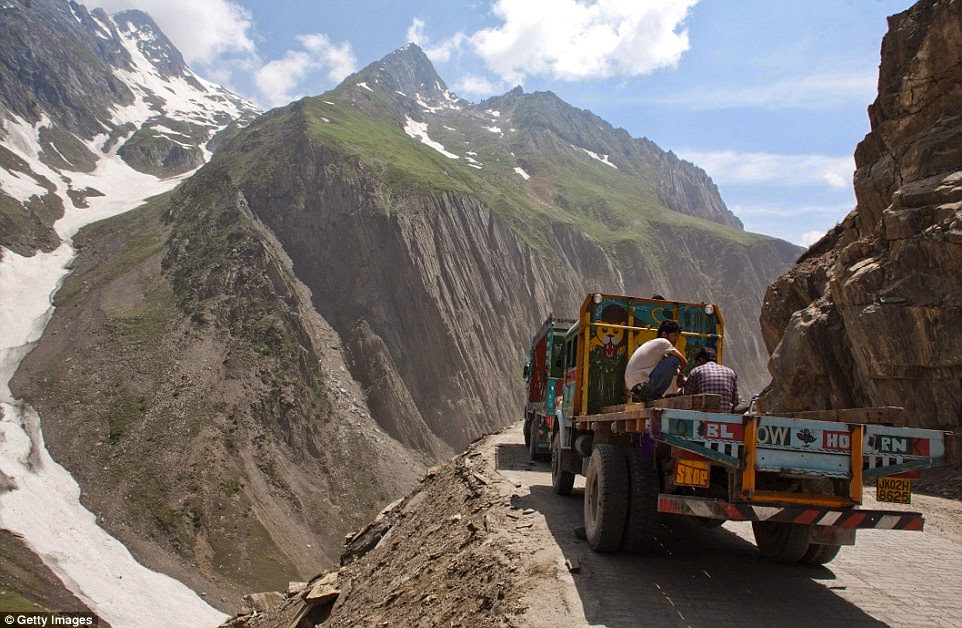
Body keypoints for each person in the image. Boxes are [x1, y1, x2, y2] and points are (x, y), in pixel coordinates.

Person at [624, 320, 688, 402]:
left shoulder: (656, 346)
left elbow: (668, 369)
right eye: (674, 335)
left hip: (636, 389)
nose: (676, 339)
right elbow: (684, 362)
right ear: (664, 334)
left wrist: (678, 372)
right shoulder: (663, 342)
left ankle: (654, 395)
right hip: (643, 386)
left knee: (671, 363)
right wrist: (681, 375)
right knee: (674, 360)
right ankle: (657, 395)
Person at [683, 347, 741, 412]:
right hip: (726, 415)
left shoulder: (696, 371)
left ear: (701, 360)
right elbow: (736, 401)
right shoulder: (731, 372)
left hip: (702, 417)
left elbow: (687, 397)